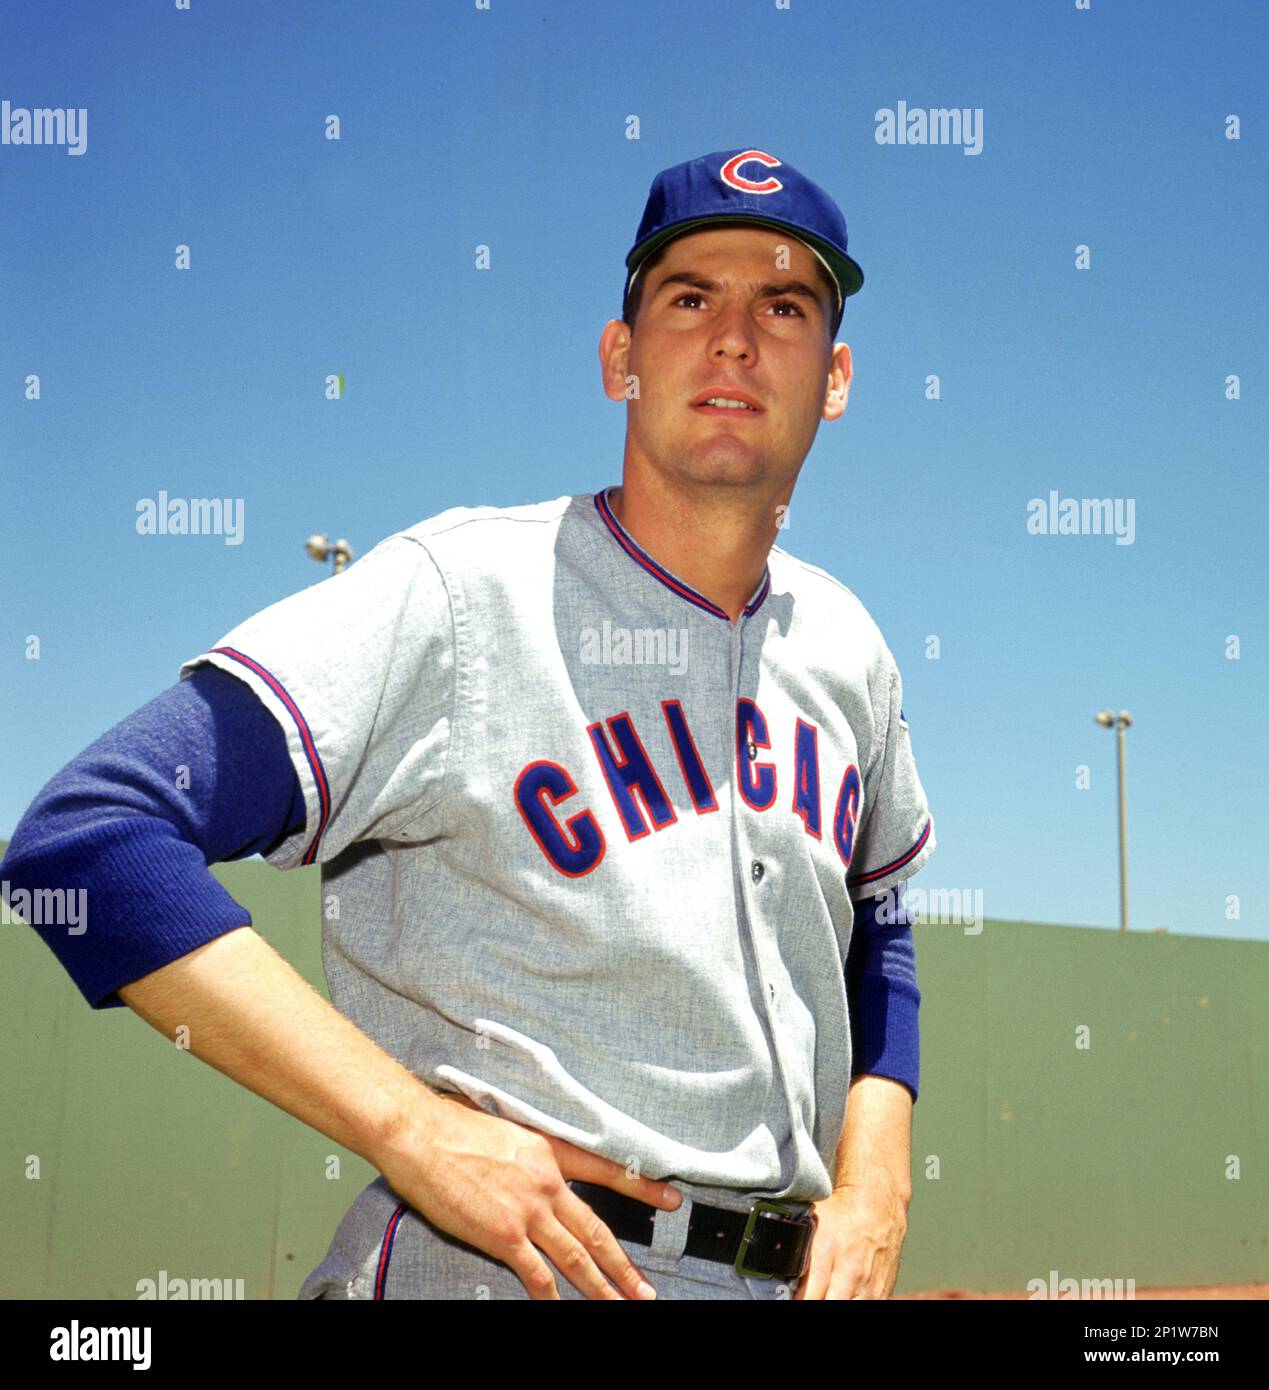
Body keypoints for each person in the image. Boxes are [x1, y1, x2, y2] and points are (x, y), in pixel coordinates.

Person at [1, 147, 935, 1300]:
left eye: (783, 303)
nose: (735, 337)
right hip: (510, 1266)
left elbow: (879, 931)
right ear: (620, 358)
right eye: (690, 296)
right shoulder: (461, 591)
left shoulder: (850, 650)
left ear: (835, 376)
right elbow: (88, 838)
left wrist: (878, 1182)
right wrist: (409, 1127)